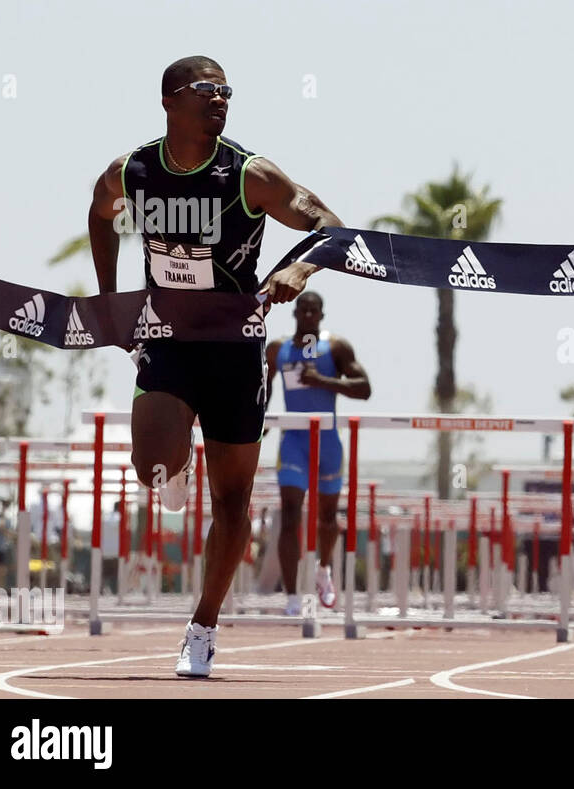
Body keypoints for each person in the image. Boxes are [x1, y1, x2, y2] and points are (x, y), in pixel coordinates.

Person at [88, 55, 342, 677]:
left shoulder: (249, 174)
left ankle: (202, 626)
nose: (222, 100)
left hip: (235, 347)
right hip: (168, 337)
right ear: (172, 99)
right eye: (209, 91)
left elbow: (330, 224)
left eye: (228, 92)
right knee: (152, 463)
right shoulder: (134, 170)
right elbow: (99, 212)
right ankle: (172, 467)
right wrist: (109, 299)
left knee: (231, 503)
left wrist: (298, 268)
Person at [265, 291, 371, 615]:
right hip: (293, 440)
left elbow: (364, 388)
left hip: (328, 441)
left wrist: (322, 380)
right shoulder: (277, 349)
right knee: (290, 516)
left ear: (322, 316)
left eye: (315, 311)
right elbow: (264, 386)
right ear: (295, 313)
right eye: (304, 310)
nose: (309, 315)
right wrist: (262, 419)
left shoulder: (335, 347)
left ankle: (324, 569)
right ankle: (293, 597)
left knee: (327, 518)